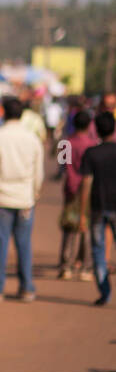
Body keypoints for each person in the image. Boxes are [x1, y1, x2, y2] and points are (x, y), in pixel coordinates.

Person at [0, 96, 43, 303]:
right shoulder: (32, 138)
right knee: (24, 245)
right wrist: (34, 194)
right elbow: (38, 173)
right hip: (24, 199)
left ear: (4, 112)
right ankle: (27, 288)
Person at [79, 111, 116, 306]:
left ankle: (105, 292)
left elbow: (85, 182)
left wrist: (82, 212)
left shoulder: (90, 152)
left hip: (97, 208)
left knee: (98, 250)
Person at [59, 109, 97, 279]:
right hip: (89, 191)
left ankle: (66, 265)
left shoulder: (65, 143)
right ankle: (85, 267)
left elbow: (62, 167)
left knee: (69, 227)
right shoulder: (93, 144)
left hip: (70, 189)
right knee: (86, 227)